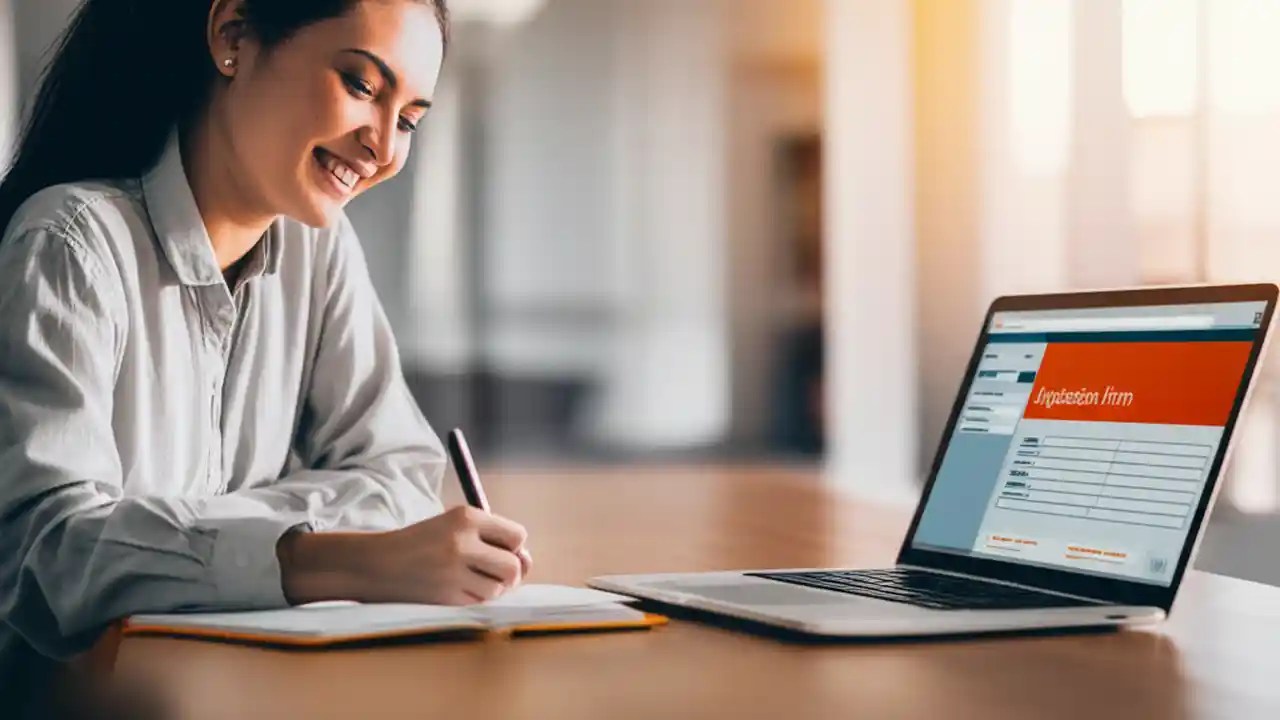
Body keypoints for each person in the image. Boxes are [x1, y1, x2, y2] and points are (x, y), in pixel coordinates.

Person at [0, 0, 532, 698]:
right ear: (232, 36)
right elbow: (49, 557)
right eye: (362, 86)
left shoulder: (320, 248)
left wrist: (162, 534)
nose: (383, 146)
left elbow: (402, 475)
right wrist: (327, 561)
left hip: (234, 688)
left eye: (407, 120)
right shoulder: (70, 244)